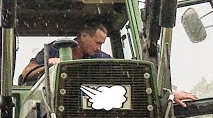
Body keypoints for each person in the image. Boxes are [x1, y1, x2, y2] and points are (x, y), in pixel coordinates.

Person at [18, 22, 198, 106]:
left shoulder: (101, 59)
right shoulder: (53, 51)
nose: (99, 47)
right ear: (83, 36)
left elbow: (132, 81)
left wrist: (167, 94)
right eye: (97, 42)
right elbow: (24, 76)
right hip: (50, 108)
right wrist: (49, 64)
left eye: (102, 43)